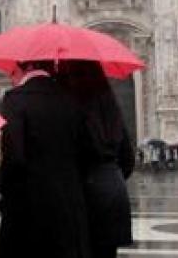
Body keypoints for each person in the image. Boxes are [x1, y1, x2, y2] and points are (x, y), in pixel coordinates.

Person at [0, 60, 90, 258]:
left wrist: (4, 190)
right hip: (69, 206)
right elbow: (84, 152)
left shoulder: (15, 99)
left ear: (27, 67)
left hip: (28, 208)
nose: (12, 76)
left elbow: (13, 157)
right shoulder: (71, 97)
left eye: (14, 71)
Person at [61, 60, 134, 258]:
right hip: (113, 191)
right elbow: (128, 160)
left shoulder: (70, 106)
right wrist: (108, 176)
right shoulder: (111, 108)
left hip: (82, 197)